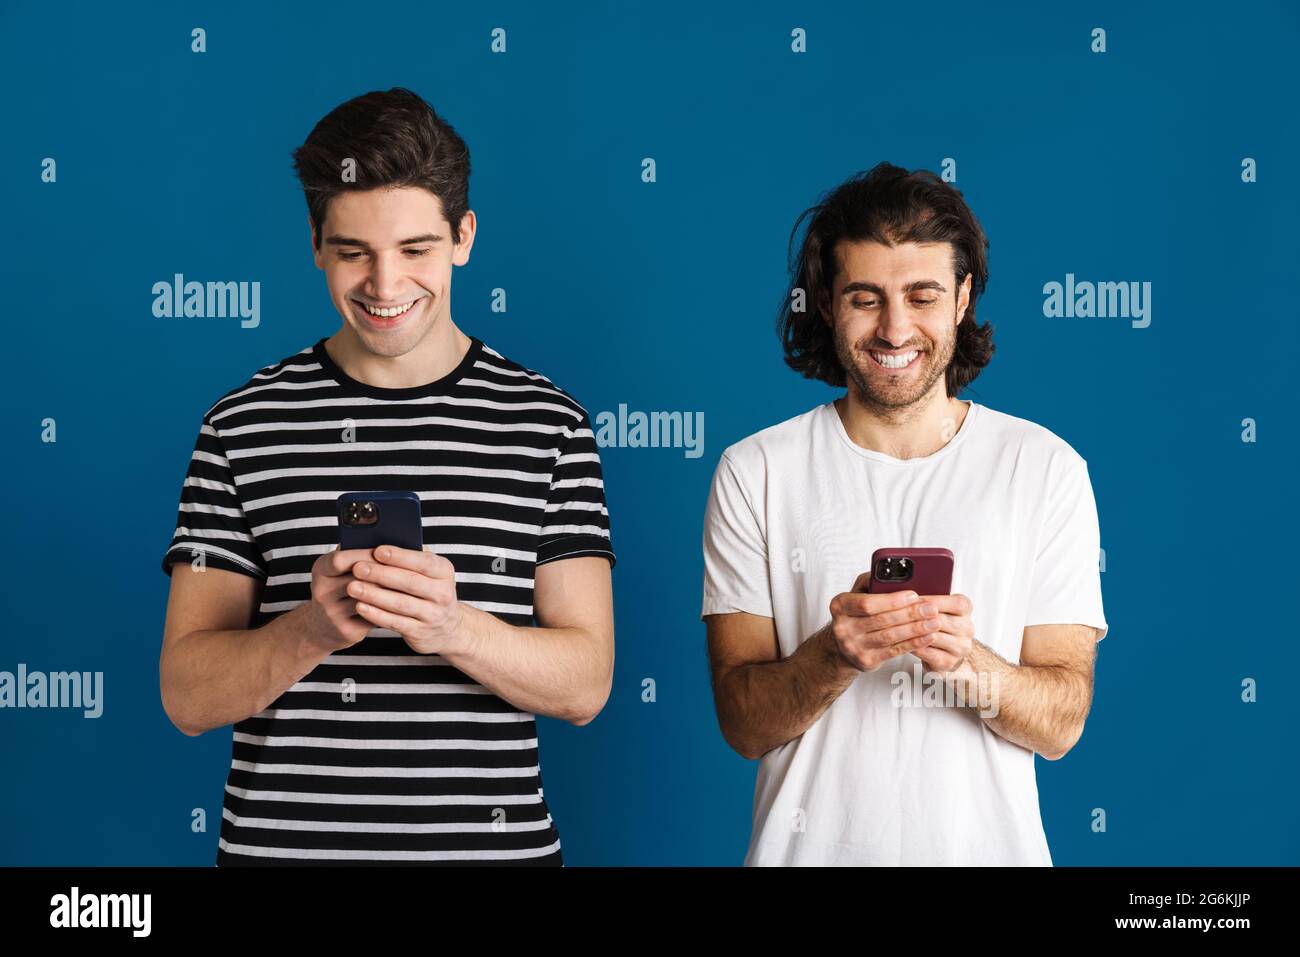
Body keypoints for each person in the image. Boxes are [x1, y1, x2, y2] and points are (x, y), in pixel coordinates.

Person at [159, 88, 615, 865]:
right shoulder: (240, 425)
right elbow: (187, 695)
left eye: (414, 249)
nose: (384, 283)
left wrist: (452, 628)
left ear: (463, 237)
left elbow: (586, 684)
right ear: (314, 243)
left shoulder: (549, 424)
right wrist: (311, 629)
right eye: (352, 251)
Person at [701, 162, 1107, 866]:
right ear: (827, 304)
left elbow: (1062, 720)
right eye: (866, 297)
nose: (894, 328)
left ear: (962, 298)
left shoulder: (1045, 469)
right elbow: (743, 723)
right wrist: (836, 654)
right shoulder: (755, 471)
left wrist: (967, 662)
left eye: (921, 295)